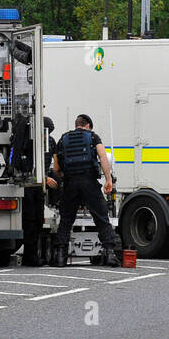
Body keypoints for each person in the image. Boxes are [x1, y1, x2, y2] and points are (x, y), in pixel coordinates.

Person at [53, 113, 121, 266]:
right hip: (89, 182)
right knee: (101, 216)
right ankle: (110, 254)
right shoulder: (93, 137)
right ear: (88, 125)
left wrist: (66, 177)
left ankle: (60, 257)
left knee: (66, 219)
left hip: (70, 183)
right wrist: (108, 180)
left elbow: (56, 168)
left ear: (77, 124)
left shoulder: (62, 139)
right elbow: (103, 157)